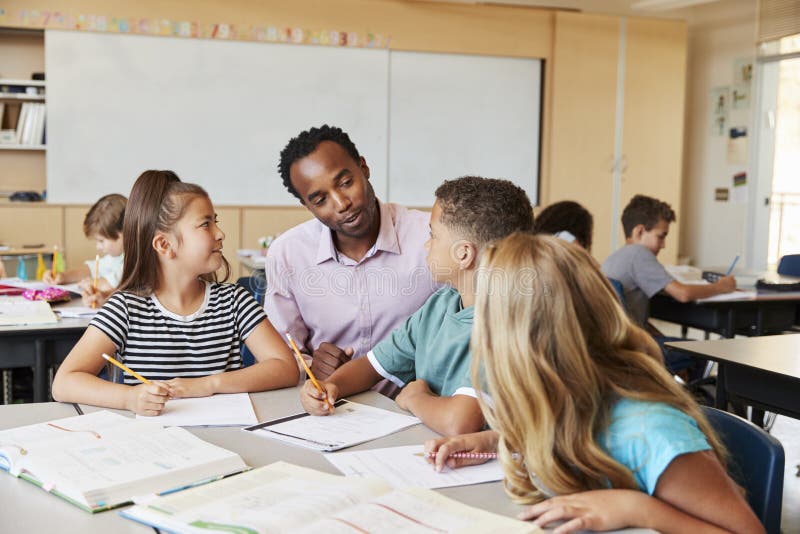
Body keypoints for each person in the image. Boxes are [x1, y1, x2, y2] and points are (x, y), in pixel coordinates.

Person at [425, 233, 763, 534]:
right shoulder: (567, 394)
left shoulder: (650, 431)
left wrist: (638, 509)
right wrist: (494, 440)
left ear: (523, 343)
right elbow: (575, 431)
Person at [300, 176, 535, 436]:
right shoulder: (440, 305)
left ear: (464, 254)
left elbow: (460, 422)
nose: (426, 244)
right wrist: (329, 387)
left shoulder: (506, 323)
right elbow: (370, 366)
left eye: (433, 235)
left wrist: (414, 397)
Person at [52, 170, 299, 415]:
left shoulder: (234, 301)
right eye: (205, 224)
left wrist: (209, 384)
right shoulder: (126, 308)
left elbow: (286, 367)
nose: (220, 234)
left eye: (216, 221)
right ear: (164, 245)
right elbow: (64, 383)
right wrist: (129, 398)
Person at [267, 125, 435, 384]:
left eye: (346, 183)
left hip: (417, 410)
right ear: (306, 205)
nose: (341, 203)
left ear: (363, 167)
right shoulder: (288, 253)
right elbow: (282, 355)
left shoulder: (431, 237)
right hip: (332, 410)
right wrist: (312, 370)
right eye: (320, 200)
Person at [601, 195, 735, 378]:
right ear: (640, 232)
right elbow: (682, 294)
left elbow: (636, 322)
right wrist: (721, 287)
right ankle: (697, 402)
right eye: (661, 236)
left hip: (615, 346)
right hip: (632, 349)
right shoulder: (639, 254)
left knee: (678, 346)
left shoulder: (615, 257)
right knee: (702, 351)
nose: (663, 245)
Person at [43, 194, 127, 307]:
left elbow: (113, 284)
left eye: (101, 241)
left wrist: (92, 283)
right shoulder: (116, 256)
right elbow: (91, 269)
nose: (98, 247)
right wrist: (63, 276)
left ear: (124, 234)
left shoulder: (138, 258)